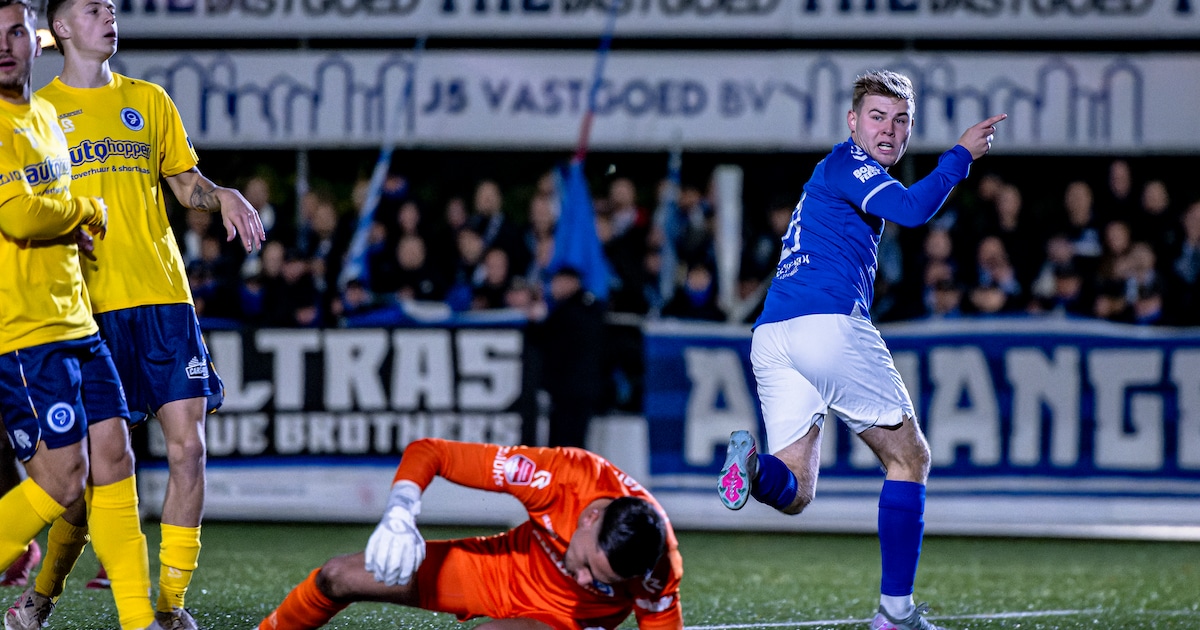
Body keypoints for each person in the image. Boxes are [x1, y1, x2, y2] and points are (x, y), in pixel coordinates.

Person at [716, 70, 1004, 630]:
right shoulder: (848, 163)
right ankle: (895, 615)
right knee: (910, 458)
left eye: (901, 122)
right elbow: (915, 211)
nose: (889, 131)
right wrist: (961, 155)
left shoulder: (837, 173)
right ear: (853, 122)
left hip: (774, 335)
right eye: (877, 117)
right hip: (824, 325)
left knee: (795, 490)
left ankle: (750, 467)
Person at [27, 1, 267, 628]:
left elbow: (186, 184)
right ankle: (42, 593)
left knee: (188, 450)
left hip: (164, 302)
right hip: (88, 310)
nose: (108, 14)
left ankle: (169, 606)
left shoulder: (150, 100)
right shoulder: (38, 112)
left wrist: (227, 195)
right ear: (61, 28)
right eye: (91, 8)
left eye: (110, 7)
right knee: (83, 484)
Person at [0, 2, 163, 628]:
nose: (6, 45)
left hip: (77, 323)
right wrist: (86, 213)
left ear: (36, 39)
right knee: (64, 483)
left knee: (115, 458)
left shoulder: (42, 115)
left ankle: (137, 619)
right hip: (23, 334)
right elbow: (18, 215)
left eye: (15, 31)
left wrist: (74, 224)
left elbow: (52, 203)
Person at [258, 438, 683, 630]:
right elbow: (432, 452)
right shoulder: (557, 478)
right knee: (337, 576)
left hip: (565, 620)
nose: (586, 580)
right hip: (500, 568)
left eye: (603, 584)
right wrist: (400, 513)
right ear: (591, 519)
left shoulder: (656, 565)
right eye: (590, 566)